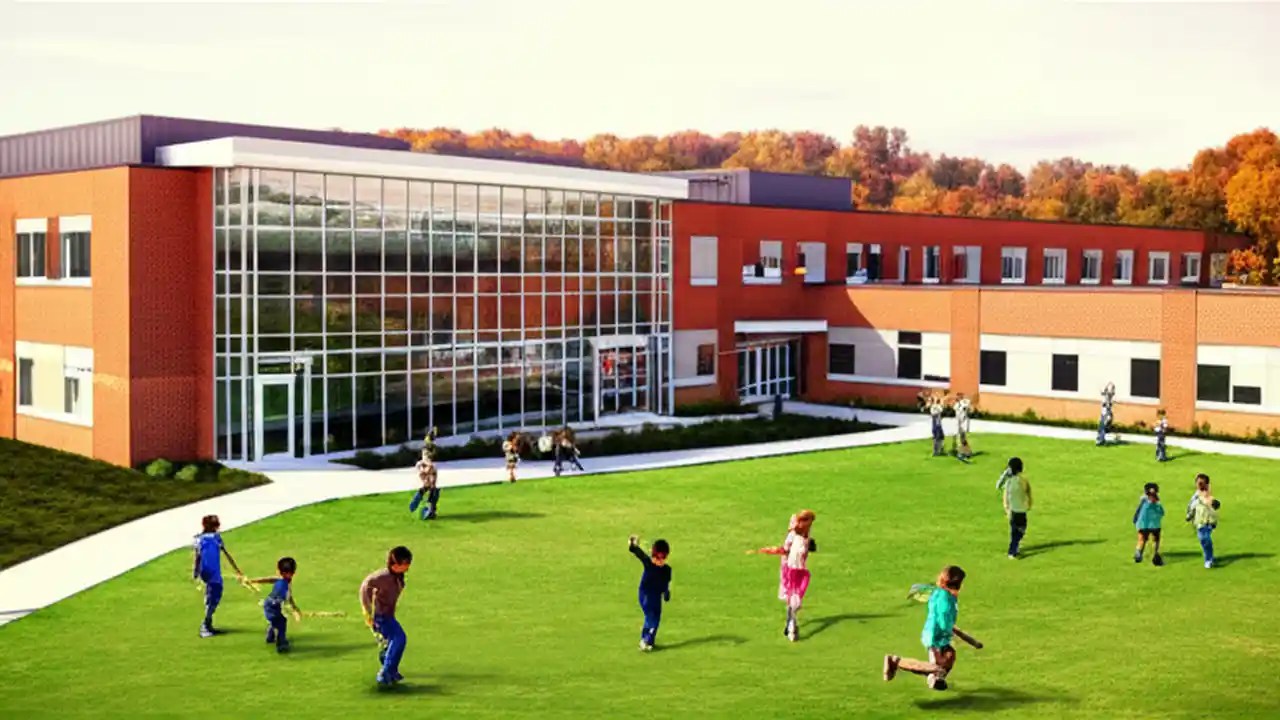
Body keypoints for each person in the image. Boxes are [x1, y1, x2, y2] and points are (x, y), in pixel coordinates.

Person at [883, 566, 973, 691]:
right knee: (935, 666)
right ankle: (896, 661)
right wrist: (950, 631)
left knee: (949, 656)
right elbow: (943, 619)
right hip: (936, 635)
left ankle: (937, 679)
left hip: (938, 633)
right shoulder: (945, 599)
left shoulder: (941, 593)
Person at [751, 510, 817, 642]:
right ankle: (791, 625)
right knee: (793, 598)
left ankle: (790, 622)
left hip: (798, 570)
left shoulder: (803, 536)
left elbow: (792, 549)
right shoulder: (796, 537)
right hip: (791, 570)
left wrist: (771, 550)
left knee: (794, 599)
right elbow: (787, 550)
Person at [360, 546, 414, 686]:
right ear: (395, 565)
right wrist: (368, 612)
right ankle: (385, 673)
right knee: (399, 638)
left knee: (394, 640)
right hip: (380, 616)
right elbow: (365, 586)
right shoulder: (382, 577)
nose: (408, 567)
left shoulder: (397, 577)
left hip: (388, 615)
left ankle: (390, 666)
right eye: (405, 564)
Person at [191, 514, 245, 638]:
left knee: (215, 592)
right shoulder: (213, 538)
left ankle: (208, 622)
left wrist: (196, 571)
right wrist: (237, 569)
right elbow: (224, 554)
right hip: (211, 569)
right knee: (215, 593)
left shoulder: (203, 538)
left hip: (209, 569)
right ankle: (205, 624)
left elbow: (197, 556)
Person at [246, 557, 301, 653]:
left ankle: (270, 636)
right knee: (281, 623)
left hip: (270, 604)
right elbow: (287, 597)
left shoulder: (282, 580)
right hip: (272, 606)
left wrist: (253, 581)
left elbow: (268, 579)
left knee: (276, 621)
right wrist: (293, 610)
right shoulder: (283, 584)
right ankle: (281, 643)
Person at [628, 536, 672, 651]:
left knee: (656, 617)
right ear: (654, 556)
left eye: (663, 558)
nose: (660, 561)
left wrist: (666, 592)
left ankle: (649, 641)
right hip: (645, 595)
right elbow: (639, 554)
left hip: (656, 597)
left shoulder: (667, 570)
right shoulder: (649, 564)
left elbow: (666, 583)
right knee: (651, 618)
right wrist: (633, 545)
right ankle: (645, 640)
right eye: (658, 558)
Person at [995, 458, 1032, 559]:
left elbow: (1002, 491)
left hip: (1014, 510)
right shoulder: (1022, 481)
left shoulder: (1010, 482)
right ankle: (1012, 551)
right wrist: (1029, 503)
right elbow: (1028, 492)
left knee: (1017, 531)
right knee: (1019, 531)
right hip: (1019, 510)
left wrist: (1006, 508)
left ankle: (1014, 548)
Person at [1187, 474, 1221, 569]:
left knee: (1204, 538)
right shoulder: (1196, 496)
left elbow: (1215, 504)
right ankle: (1210, 557)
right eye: (1198, 483)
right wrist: (1189, 515)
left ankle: (1208, 560)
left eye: (1201, 483)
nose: (1199, 485)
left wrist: (1215, 503)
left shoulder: (1209, 494)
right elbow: (1191, 506)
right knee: (1204, 540)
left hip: (1209, 521)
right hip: (1199, 521)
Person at [1133, 483, 1165, 566]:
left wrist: (1135, 520)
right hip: (1155, 525)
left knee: (1141, 539)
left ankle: (1138, 553)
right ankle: (1156, 555)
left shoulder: (1143, 501)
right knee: (1156, 540)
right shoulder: (1157, 503)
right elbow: (1162, 512)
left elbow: (1138, 511)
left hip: (1143, 524)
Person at [408, 449, 440, 520]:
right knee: (426, 486)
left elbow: (429, 470)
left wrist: (427, 464)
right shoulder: (420, 464)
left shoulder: (432, 465)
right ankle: (418, 501)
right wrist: (424, 465)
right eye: (425, 454)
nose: (426, 456)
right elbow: (422, 472)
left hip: (431, 485)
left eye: (428, 454)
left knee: (434, 491)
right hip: (426, 483)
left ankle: (431, 510)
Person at [951, 394, 973, 461]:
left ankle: (961, 453)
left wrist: (965, 404)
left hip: (962, 423)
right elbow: (955, 409)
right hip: (959, 423)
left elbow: (968, 405)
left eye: (958, 397)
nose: (957, 398)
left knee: (961, 439)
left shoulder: (964, 403)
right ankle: (968, 452)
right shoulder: (957, 405)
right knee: (962, 439)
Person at [927, 393, 946, 457]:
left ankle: (941, 450)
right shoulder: (933, 407)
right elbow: (934, 413)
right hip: (936, 424)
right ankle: (936, 451)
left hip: (938, 424)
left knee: (941, 437)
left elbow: (941, 410)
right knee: (936, 437)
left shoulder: (937, 406)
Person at [1097, 382, 1116, 446]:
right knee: (1103, 425)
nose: (1113, 390)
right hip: (1105, 412)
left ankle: (1102, 438)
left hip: (1107, 412)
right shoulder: (1106, 395)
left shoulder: (1110, 396)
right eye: (1112, 388)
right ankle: (1100, 439)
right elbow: (1106, 404)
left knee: (1105, 425)